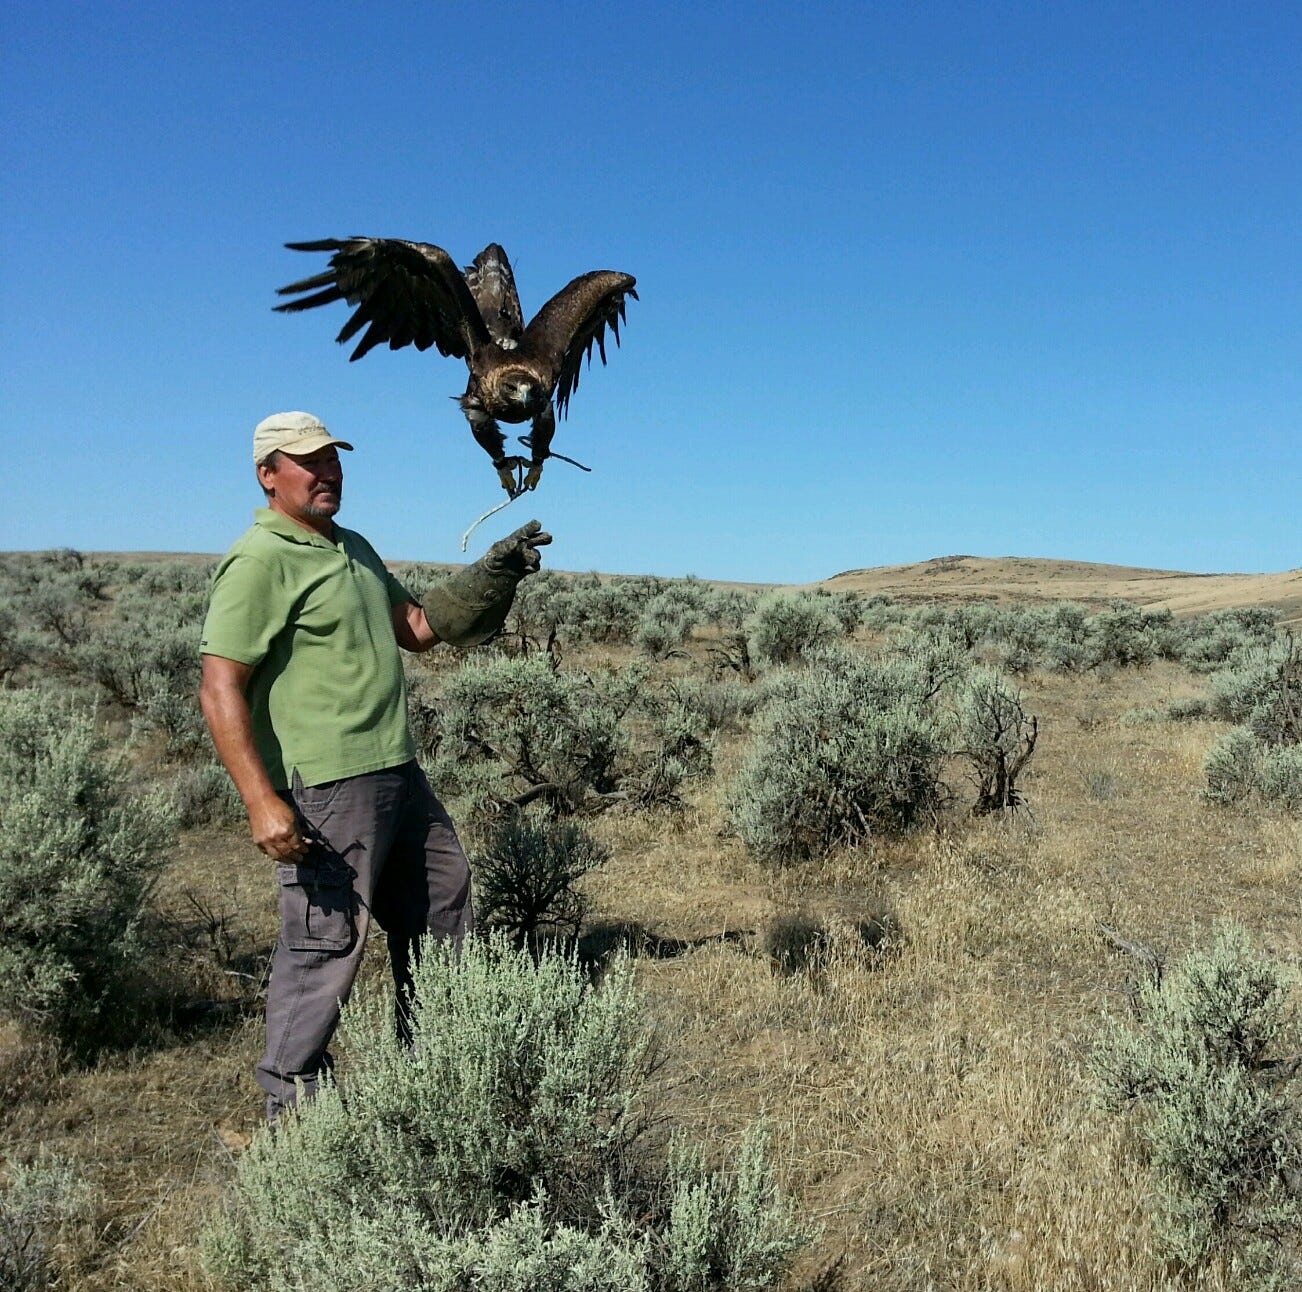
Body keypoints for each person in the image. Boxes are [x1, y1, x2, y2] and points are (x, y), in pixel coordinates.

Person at [199, 410, 549, 1121]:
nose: (327, 472)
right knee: (328, 943)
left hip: (397, 769)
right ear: (268, 474)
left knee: (442, 906)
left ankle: (433, 1070)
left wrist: (493, 574)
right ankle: (292, 1114)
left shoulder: (351, 546)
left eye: (332, 459)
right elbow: (219, 684)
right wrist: (261, 801)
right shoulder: (260, 560)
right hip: (328, 783)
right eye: (308, 462)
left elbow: (415, 629)